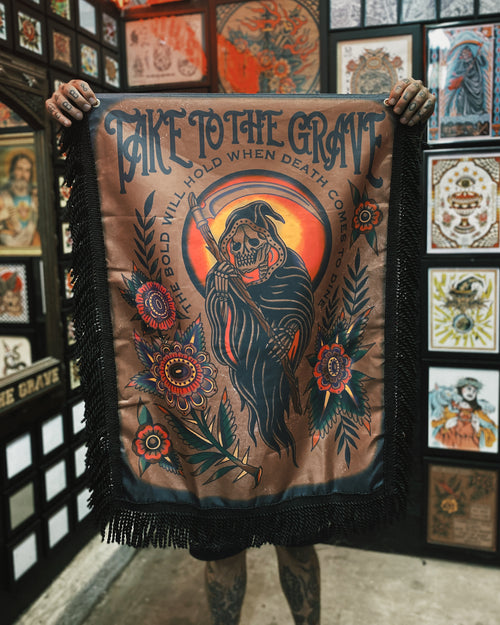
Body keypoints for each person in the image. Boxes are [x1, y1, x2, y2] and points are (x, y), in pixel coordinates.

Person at [45, 77, 435, 625]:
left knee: (297, 542)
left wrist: (406, 111)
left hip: (291, 399)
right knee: (220, 551)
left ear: (273, 241)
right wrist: (78, 114)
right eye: (236, 242)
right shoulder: (224, 277)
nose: (246, 248)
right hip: (229, 390)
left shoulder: (291, 272)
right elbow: (215, 329)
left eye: (255, 241)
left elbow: (301, 312)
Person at [0, 153, 40, 248]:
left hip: (33, 245)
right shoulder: (3, 196)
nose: (23, 174)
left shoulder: (36, 196)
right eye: (19, 169)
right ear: (12, 171)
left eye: (27, 170)